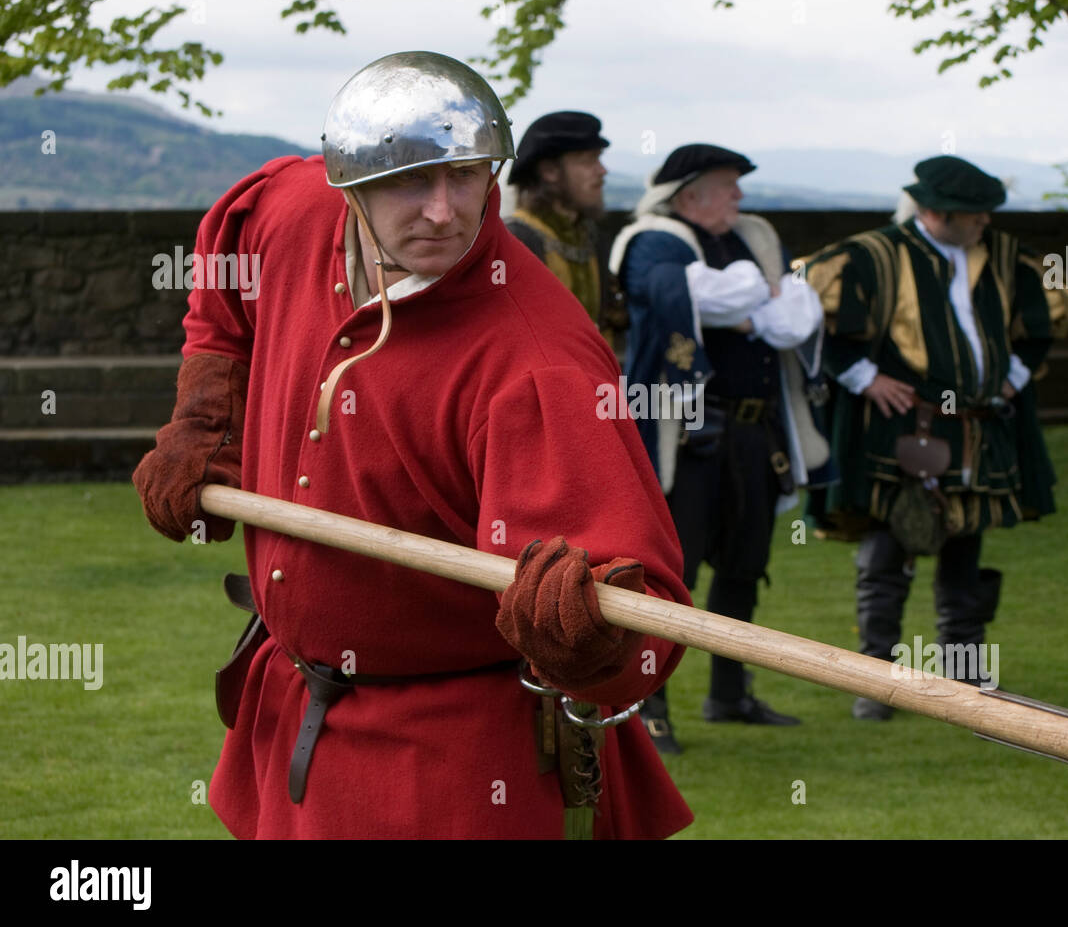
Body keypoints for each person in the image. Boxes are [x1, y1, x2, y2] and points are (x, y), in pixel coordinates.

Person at [131, 51, 694, 839]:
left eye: (465, 175)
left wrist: (589, 629)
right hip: (291, 705)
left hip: (453, 763)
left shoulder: (539, 363)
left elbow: (642, 616)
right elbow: (229, 252)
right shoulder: (294, 218)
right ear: (350, 186)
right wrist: (207, 417)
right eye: (408, 181)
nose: (443, 211)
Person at [799, 155, 1068, 720]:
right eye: (972, 215)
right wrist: (864, 377)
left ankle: (967, 685)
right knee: (888, 550)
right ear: (933, 211)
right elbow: (806, 315)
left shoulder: (1003, 256)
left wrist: (1014, 376)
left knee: (965, 541)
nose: (984, 224)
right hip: (901, 425)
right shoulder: (870, 255)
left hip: (976, 428)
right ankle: (877, 684)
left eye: (986, 214)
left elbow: (1043, 324)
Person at [609, 143, 828, 753]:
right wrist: (756, 298)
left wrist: (748, 305)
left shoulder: (749, 239)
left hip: (753, 434)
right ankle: (649, 711)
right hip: (686, 435)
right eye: (728, 187)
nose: (739, 198)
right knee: (667, 575)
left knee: (743, 567)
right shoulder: (654, 239)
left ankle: (729, 694)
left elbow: (797, 314)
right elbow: (691, 297)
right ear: (689, 196)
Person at [504, 111, 625, 346]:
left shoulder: (590, 235)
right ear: (549, 171)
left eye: (598, 158)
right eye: (588, 160)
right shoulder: (518, 240)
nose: (602, 171)